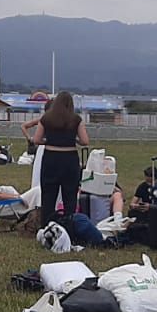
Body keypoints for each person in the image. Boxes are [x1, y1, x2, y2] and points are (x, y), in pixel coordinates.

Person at [27, 91, 89, 225]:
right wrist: (74, 140)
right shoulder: (76, 119)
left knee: (48, 195)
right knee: (70, 195)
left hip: (51, 157)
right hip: (69, 158)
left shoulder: (46, 119)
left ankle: (46, 226)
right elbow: (85, 141)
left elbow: (37, 140)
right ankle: (69, 226)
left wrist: (49, 141)